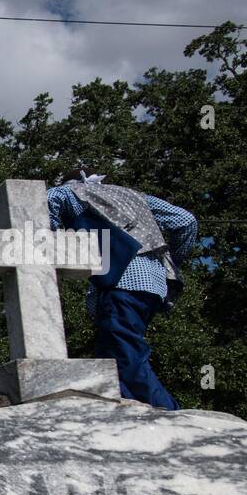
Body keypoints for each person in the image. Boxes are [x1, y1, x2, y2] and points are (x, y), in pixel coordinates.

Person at [47, 168, 196, 409]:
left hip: (123, 280)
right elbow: (186, 221)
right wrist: (169, 261)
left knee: (125, 353)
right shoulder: (135, 196)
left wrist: (53, 238)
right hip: (153, 284)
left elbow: (50, 198)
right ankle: (129, 407)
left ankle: (168, 412)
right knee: (111, 356)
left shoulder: (73, 191)